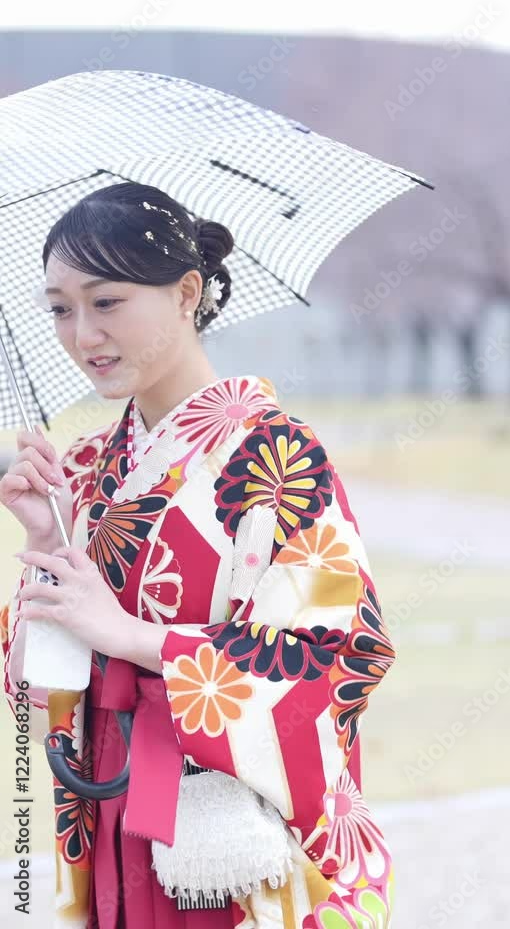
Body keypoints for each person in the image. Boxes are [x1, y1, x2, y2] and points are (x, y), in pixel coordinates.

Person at [0, 181, 396, 928]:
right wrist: (46, 542)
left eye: (106, 301)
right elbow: (34, 696)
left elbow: (337, 657)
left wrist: (140, 642)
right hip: (113, 809)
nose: (83, 334)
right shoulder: (85, 469)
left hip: (231, 830)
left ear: (186, 293)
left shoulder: (276, 455)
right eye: (60, 308)